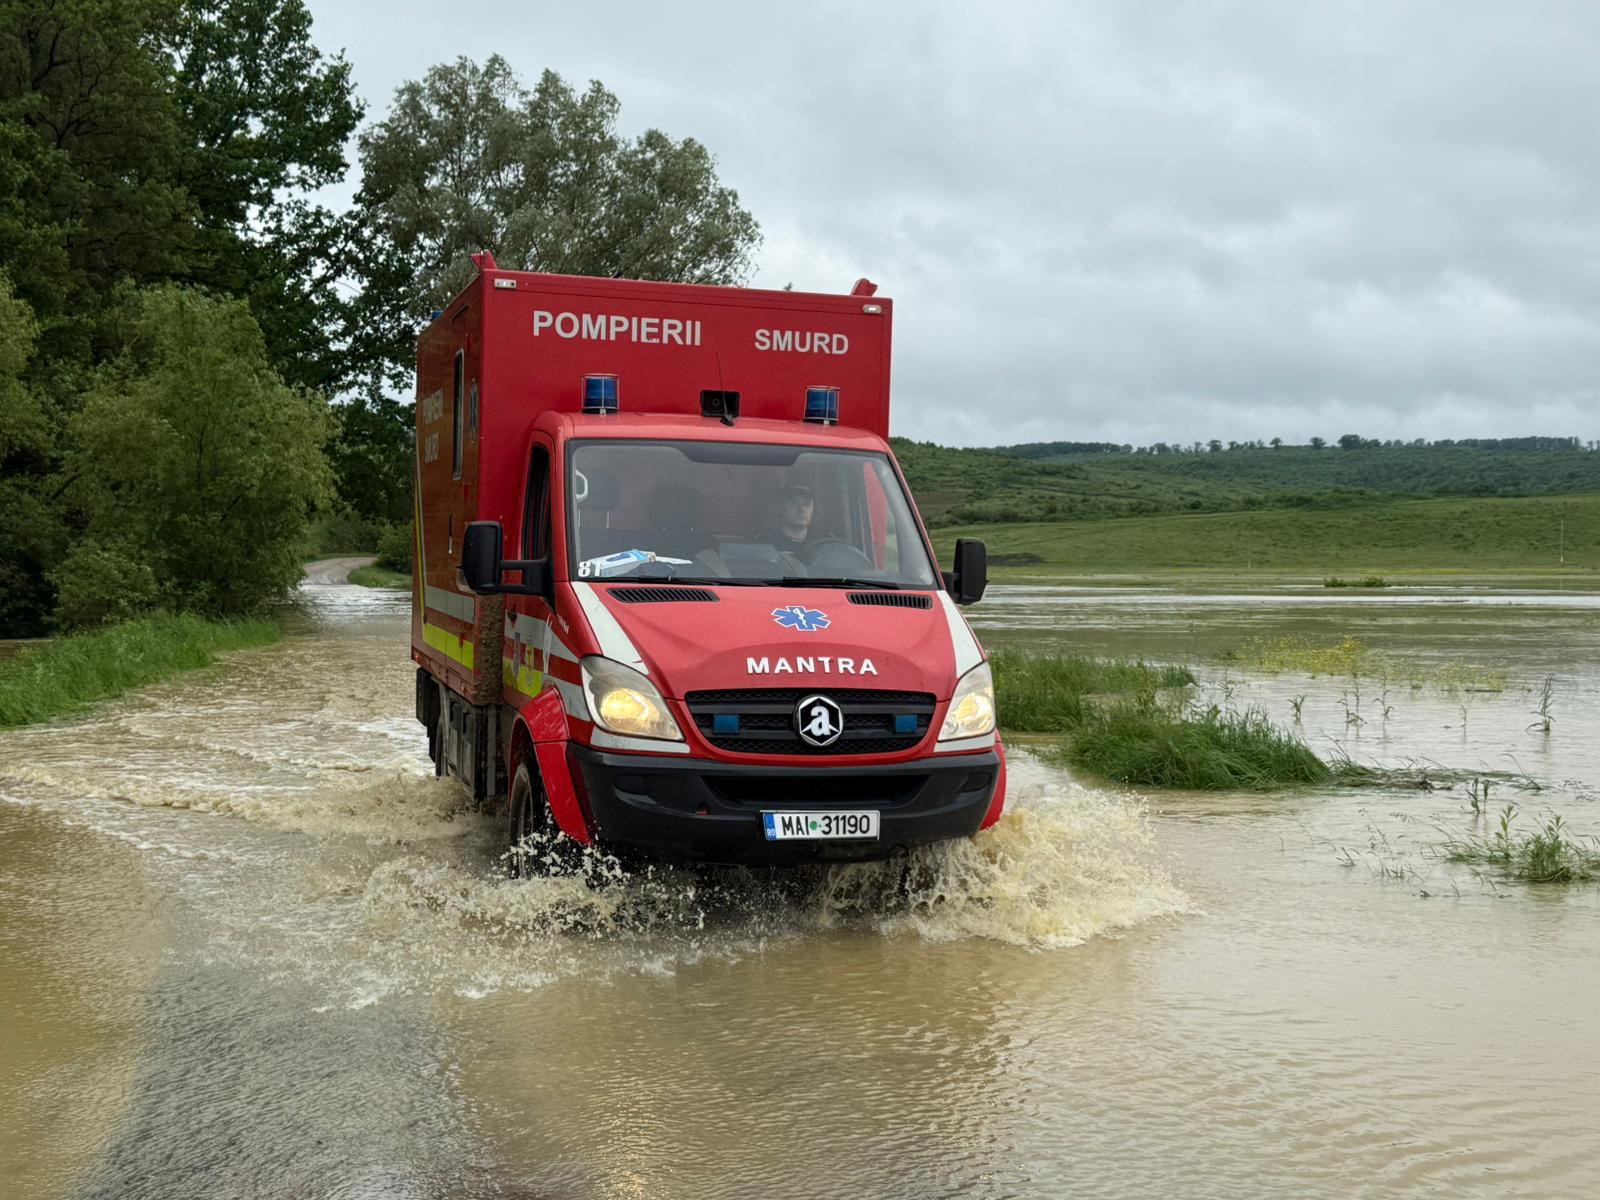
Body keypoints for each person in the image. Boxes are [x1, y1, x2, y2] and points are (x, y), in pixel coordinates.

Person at [766, 482, 815, 554]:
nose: (802, 509)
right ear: (780, 508)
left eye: (807, 504)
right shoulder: (766, 544)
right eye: (795, 503)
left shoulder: (822, 543)